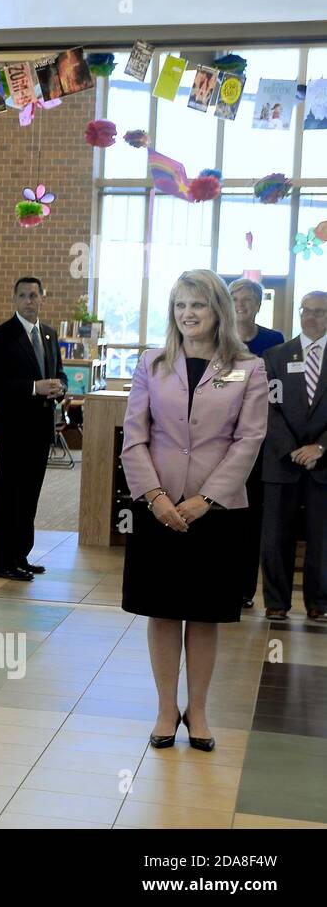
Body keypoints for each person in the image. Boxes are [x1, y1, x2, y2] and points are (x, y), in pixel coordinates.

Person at [121, 269, 268, 753]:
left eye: (198, 305)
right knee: (163, 613)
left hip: (218, 511)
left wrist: (206, 499)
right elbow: (134, 437)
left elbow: (249, 440)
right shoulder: (153, 363)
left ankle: (197, 710)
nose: (188, 314)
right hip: (158, 507)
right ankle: (166, 707)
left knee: (204, 616)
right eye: (181, 305)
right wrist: (157, 498)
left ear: (218, 312)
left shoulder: (247, 367)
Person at [0, 277, 66, 581]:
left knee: (29, 496)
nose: (29, 300)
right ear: (14, 299)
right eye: (23, 296)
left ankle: (21, 555)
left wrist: (60, 387)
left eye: (34, 295)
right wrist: (34, 387)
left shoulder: (48, 334)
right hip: (13, 430)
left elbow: (58, 373)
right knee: (9, 496)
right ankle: (1, 562)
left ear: (43, 297)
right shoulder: (1, 336)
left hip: (41, 430)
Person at [260, 291, 327, 623]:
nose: (309, 317)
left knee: (322, 539)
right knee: (275, 536)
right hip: (281, 461)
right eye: (305, 311)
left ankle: (320, 603)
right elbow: (267, 408)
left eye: (318, 312)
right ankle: (276, 602)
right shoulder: (275, 355)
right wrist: (292, 449)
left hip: (324, 463)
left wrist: (321, 448)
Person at [228, 277, 285, 608]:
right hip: (223, 440)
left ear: (258, 304)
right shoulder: (219, 338)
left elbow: (278, 392)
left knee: (250, 517)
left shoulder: (274, 341)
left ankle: (245, 590)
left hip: (260, 443)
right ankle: (221, 580)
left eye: (247, 298)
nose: (241, 304)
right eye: (235, 297)